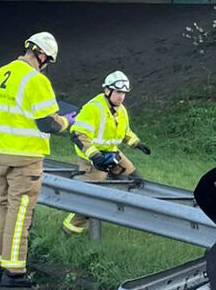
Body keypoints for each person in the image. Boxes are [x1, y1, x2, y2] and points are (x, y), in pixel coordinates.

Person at [0, 31, 73, 288]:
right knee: (20, 210)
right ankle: (14, 270)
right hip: (26, 155)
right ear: (42, 55)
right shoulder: (36, 81)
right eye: (49, 61)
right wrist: (66, 121)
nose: (47, 67)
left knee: (1, 205)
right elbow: (47, 123)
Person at [62, 71, 151, 236]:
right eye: (118, 92)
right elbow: (78, 134)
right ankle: (70, 229)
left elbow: (124, 132)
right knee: (94, 195)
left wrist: (137, 143)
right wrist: (95, 156)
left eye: (124, 93)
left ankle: (123, 212)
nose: (121, 97)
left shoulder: (121, 110)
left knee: (134, 179)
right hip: (92, 159)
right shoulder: (93, 108)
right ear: (107, 91)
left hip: (112, 153)